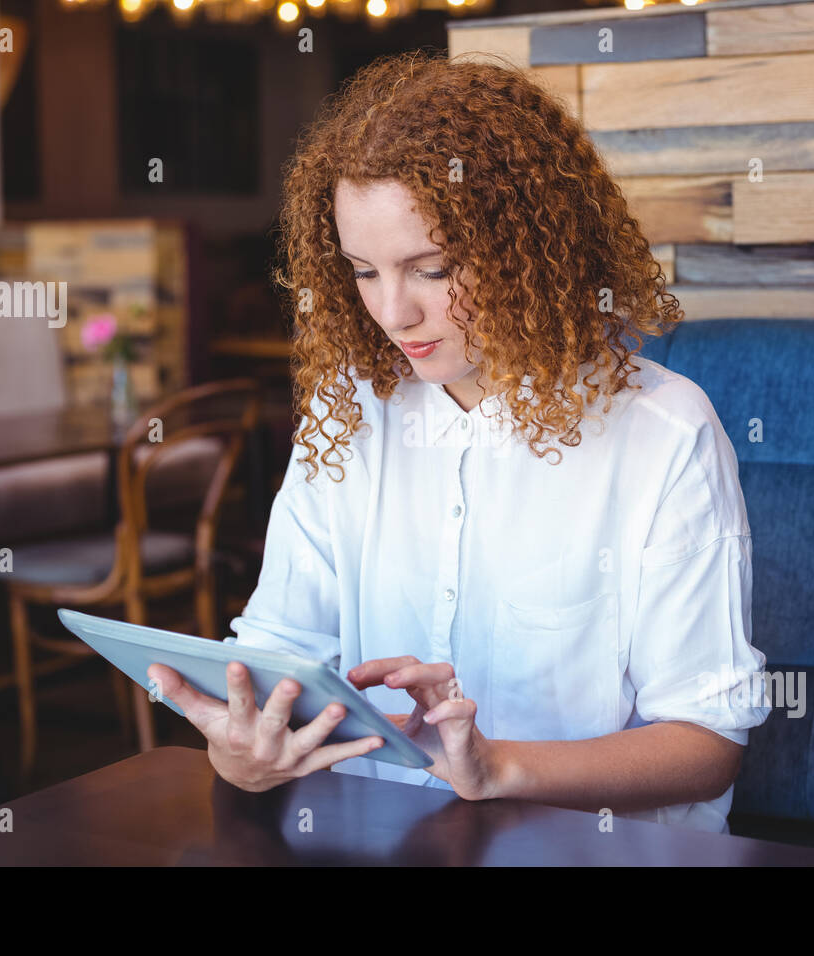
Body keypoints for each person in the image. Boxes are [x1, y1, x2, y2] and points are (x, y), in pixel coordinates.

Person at [150, 50, 770, 834]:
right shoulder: (351, 407)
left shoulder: (666, 432)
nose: (392, 312)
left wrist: (498, 766)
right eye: (362, 271)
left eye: (433, 269)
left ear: (528, 250)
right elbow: (276, 657)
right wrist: (240, 751)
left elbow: (706, 742)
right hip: (378, 843)